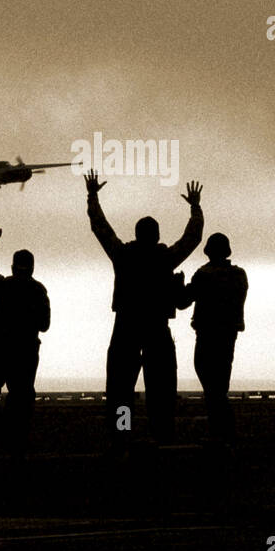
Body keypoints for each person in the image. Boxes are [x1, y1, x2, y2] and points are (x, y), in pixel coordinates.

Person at [85, 169, 203, 446]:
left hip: (125, 326)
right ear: (157, 234)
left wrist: (92, 196)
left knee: (121, 388)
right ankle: (161, 433)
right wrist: (195, 207)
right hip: (156, 327)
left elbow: (100, 227)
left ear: (137, 234)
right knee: (161, 388)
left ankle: (121, 433)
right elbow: (193, 237)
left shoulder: (123, 255)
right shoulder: (165, 258)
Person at [0, 229, 50, 459]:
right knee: (21, 396)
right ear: (32, 269)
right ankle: (16, 440)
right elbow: (45, 325)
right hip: (26, 349)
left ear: (13, 267)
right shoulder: (38, 291)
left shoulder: (3, 286)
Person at [176, 233, 248, 444]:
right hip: (228, 337)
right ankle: (223, 434)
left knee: (212, 389)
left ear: (208, 251)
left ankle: (222, 433)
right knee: (219, 387)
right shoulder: (240, 275)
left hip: (207, 337)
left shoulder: (204, 275)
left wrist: (178, 284)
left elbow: (182, 302)